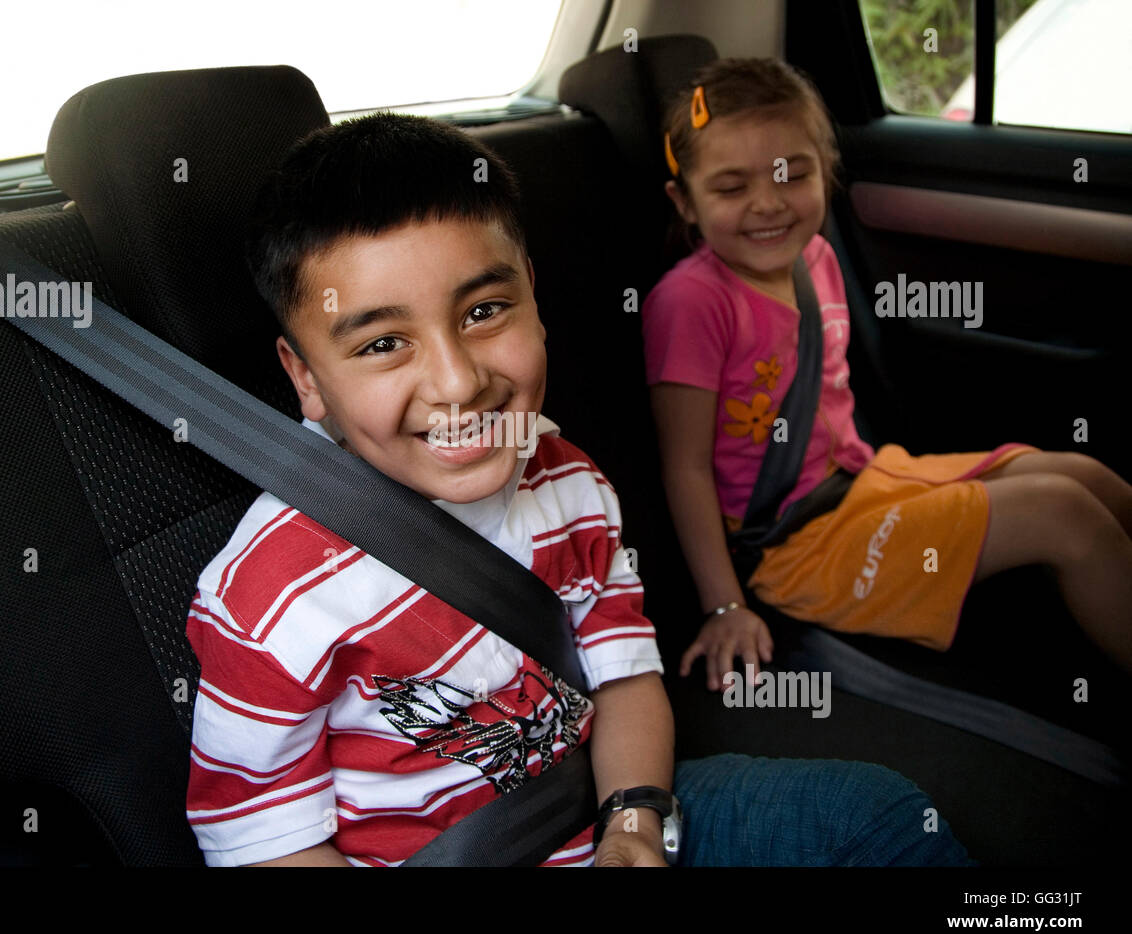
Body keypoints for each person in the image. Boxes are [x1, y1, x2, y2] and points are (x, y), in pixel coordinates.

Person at [184, 110, 971, 867]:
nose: (458, 382)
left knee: (879, 818)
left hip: (598, 809)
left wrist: (633, 822)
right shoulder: (271, 596)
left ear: (532, 291)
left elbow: (624, 677)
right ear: (306, 378)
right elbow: (263, 839)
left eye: (485, 310)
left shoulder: (566, 479)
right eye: (385, 343)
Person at [643, 57, 1132, 693]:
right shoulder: (691, 303)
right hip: (796, 545)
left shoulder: (813, 256)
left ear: (825, 168)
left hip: (865, 482)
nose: (767, 202)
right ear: (685, 201)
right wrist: (725, 605)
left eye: (792, 174)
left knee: (1081, 473)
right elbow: (684, 467)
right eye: (731, 188)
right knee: (1061, 510)